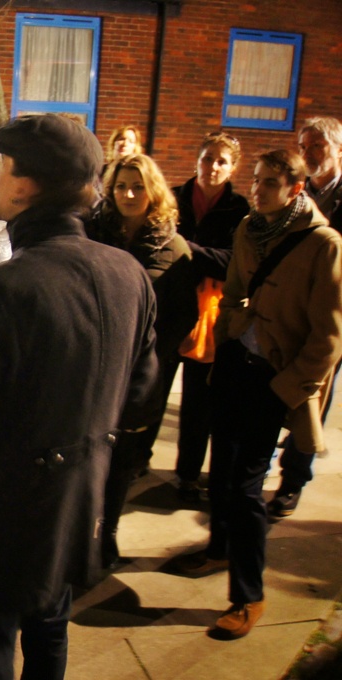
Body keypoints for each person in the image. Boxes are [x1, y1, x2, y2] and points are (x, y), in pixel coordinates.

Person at [0, 115, 158, 679]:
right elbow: (139, 391)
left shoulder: (6, 287)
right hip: (76, 501)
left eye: (2, 165)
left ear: (25, 186)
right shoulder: (129, 274)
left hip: (2, 509)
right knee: (50, 630)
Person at [174, 150, 342, 640]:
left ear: (296, 188)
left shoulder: (323, 243)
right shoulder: (250, 228)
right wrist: (227, 333)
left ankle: (248, 596)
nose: (260, 189)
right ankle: (219, 549)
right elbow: (234, 289)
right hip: (234, 366)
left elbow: (329, 338)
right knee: (221, 475)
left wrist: (287, 387)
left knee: (248, 488)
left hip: (274, 377)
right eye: (258, 180)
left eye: (271, 182)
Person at [86, 153, 195, 567]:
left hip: (138, 376)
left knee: (122, 461)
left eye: (137, 186)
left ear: (154, 191)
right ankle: (81, 531)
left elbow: (182, 316)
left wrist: (145, 355)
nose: (128, 194)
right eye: (120, 186)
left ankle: (107, 534)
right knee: (88, 457)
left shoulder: (173, 247)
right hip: (93, 369)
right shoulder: (92, 236)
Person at [269, 117, 342, 519]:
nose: (310, 153)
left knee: (312, 397)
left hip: (330, 314)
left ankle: (293, 481)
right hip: (288, 311)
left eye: (318, 146)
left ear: (338, 150)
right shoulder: (295, 192)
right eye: (304, 145)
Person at [171, 132, 250, 501]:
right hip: (169, 306)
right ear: (197, 160)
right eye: (207, 159)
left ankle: (187, 475)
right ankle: (136, 459)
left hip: (211, 314)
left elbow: (234, 263)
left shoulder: (240, 210)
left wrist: (184, 248)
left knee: (198, 402)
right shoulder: (174, 198)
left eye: (221, 161)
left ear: (233, 167)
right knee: (151, 390)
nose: (212, 167)